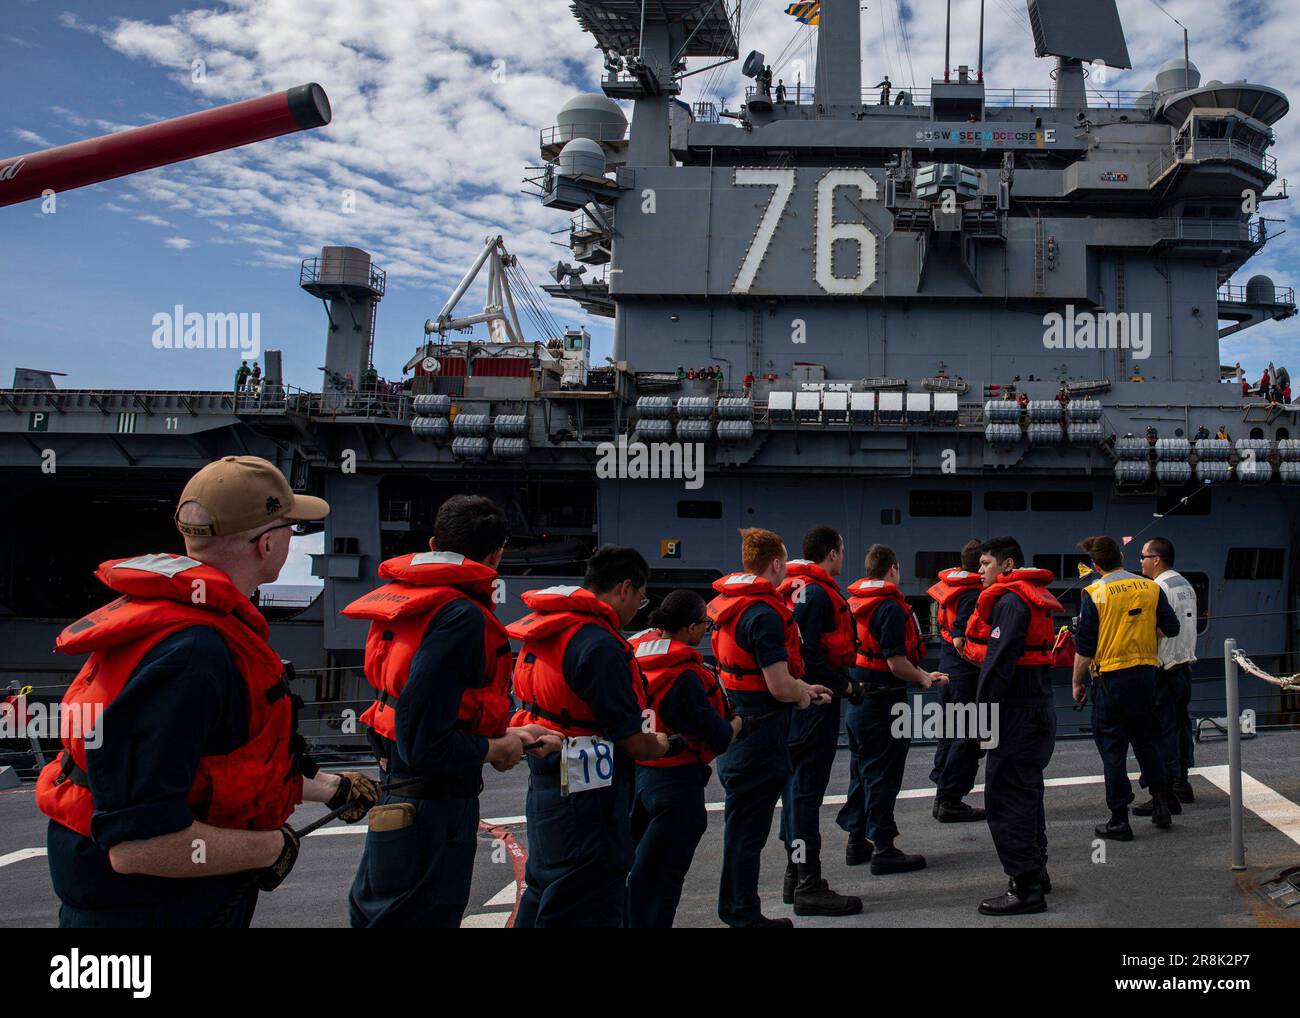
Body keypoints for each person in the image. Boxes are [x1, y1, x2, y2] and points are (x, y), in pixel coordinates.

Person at [36, 456, 376, 927]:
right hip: (155, 910)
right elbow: (139, 846)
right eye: (291, 528)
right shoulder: (196, 653)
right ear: (267, 543)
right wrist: (271, 845)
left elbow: (209, 768)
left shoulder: (178, 626)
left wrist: (329, 789)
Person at [343, 496, 562, 927]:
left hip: (401, 793)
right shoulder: (461, 617)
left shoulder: (416, 603)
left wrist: (514, 738)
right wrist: (499, 747)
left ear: (432, 543)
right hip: (434, 810)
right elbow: (427, 743)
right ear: (497, 554)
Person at [510, 547, 670, 927]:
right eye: (640, 598)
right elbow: (632, 739)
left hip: (547, 785)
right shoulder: (601, 645)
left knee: (544, 889)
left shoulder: (549, 631)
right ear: (625, 589)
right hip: (590, 802)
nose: (638, 609)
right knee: (590, 897)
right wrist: (665, 744)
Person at [708, 528, 833, 928]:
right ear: (776, 563)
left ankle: (739, 907)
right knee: (748, 834)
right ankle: (742, 914)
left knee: (742, 829)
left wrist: (803, 688)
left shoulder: (734, 605)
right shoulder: (763, 614)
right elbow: (779, 686)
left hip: (740, 724)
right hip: (761, 735)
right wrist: (799, 694)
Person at [627, 591, 740, 928]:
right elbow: (718, 735)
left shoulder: (633, 655)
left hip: (637, 779)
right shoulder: (687, 675)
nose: (706, 630)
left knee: (636, 875)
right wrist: (739, 723)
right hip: (677, 786)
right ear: (690, 628)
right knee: (663, 882)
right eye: (704, 624)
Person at [963, 537, 1062, 916]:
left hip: (1016, 714)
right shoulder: (1028, 598)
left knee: (1006, 799)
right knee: (1028, 793)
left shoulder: (1010, 602)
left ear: (1007, 566)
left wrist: (981, 717)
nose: (980, 570)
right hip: (1037, 708)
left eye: (986, 563)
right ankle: (1036, 872)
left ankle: (1025, 888)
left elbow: (998, 664)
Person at [837, 544, 946, 874]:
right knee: (883, 775)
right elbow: (896, 663)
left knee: (861, 772)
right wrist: (924, 678)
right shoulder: (891, 608)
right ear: (893, 570)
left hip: (858, 701)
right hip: (884, 703)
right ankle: (884, 848)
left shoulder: (853, 603)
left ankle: (857, 841)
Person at [775, 526, 863, 917]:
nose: (843, 558)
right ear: (831, 553)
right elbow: (812, 653)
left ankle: (794, 876)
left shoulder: (791, 588)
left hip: (789, 707)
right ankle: (809, 884)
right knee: (805, 797)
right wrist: (844, 684)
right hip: (815, 705)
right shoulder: (819, 594)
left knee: (793, 795)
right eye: (841, 552)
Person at [1072, 535, 1181, 841]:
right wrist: (1143, 632)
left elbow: (1085, 646)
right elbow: (1171, 628)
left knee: (1113, 750)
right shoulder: (1150, 587)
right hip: (1146, 675)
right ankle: (1161, 803)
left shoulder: (1094, 592)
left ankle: (1119, 819)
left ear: (1094, 564)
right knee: (1148, 740)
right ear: (1121, 555)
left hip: (1110, 680)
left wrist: (1077, 681)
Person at [927, 539, 987, 822]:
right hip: (966, 675)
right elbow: (963, 638)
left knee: (949, 735)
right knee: (969, 737)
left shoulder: (953, 587)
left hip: (946, 670)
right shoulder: (973, 593)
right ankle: (950, 799)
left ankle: (943, 795)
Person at [1136, 538, 1198, 813]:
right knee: (1182, 726)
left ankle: (1167, 788)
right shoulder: (1184, 584)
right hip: (1184, 666)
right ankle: (1182, 783)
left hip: (1163, 669)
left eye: (1143, 557)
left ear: (1156, 559)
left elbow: (1157, 628)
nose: (1140, 562)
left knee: (1163, 731)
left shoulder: (1157, 588)